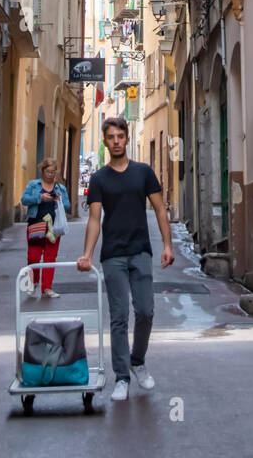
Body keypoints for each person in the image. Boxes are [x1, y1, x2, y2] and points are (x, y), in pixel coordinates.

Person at [77, 116, 174, 401]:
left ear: (127, 138)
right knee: (118, 317)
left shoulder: (144, 172)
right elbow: (94, 220)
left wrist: (168, 244)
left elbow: (159, 209)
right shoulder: (99, 179)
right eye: (111, 137)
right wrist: (87, 255)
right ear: (105, 141)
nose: (116, 141)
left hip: (141, 251)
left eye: (121, 136)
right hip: (113, 256)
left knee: (145, 311)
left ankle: (137, 361)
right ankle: (121, 378)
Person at [21, 159, 71, 298]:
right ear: (42, 171)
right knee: (33, 256)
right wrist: (39, 198)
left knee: (50, 257)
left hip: (54, 227)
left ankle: (47, 287)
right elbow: (24, 200)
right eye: (48, 171)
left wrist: (60, 200)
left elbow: (68, 206)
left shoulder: (60, 188)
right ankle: (34, 282)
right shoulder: (33, 185)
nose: (50, 174)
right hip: (35, 224)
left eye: (53, 172)